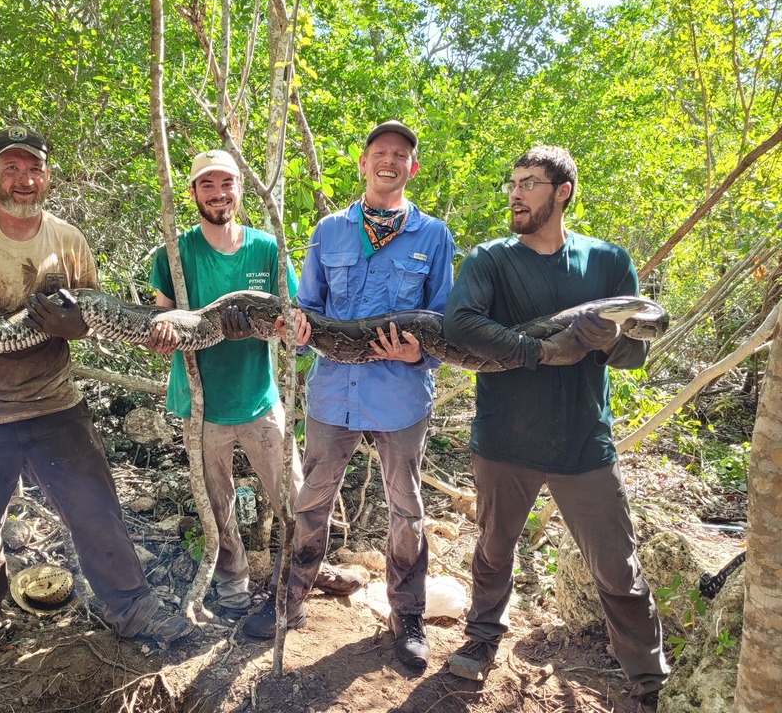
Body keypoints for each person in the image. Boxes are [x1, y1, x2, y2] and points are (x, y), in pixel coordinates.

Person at [0, 126, 192, 676]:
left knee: (97, 512)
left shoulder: (67, 238)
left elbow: (92, 314)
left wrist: (77, 328)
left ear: (47, 176)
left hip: (54, 404)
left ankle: (130, 608)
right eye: (11, 168)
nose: (23, 180)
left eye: (33, 169)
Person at [442, 146, 669, 711]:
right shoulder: (490, 259)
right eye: (512, 183)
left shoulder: (608, 263)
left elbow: (636, 355)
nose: (516, 193)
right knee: (494, 551)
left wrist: (607, 341)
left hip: (583, 442)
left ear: (562, 191)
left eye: (530, 183)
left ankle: (646, 680)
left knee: (618, 567)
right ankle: (482, 638)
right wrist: (538, 351)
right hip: (503, 439)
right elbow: (460, 324)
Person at [241, 121, 456, 672]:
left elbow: (445, 324)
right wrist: (299, 328)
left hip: (402, 396)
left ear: (412, 167)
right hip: (333, 392)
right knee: (311, 500)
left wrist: (419, 355)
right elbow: (307, 306)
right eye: (380, 152)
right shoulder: (329, 231)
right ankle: (290, 600)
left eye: (401, 154)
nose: (390, 161)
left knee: (406, 509)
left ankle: (405, 616)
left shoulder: (433, 235)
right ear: (363, 163)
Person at [147, 149, 364, 621]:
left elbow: (290, 317)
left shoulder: (266, 248)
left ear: (240, 189)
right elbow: (162, 315)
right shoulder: (174, 252)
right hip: (200, 404)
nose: (218, 193)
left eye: (226, 183)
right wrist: (165, 332)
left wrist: (282, 331)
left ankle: (303, 575)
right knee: (218, 505)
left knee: (295, 497)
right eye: (207, 185)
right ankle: (232, 589)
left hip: (259, 399)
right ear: (192, 193)